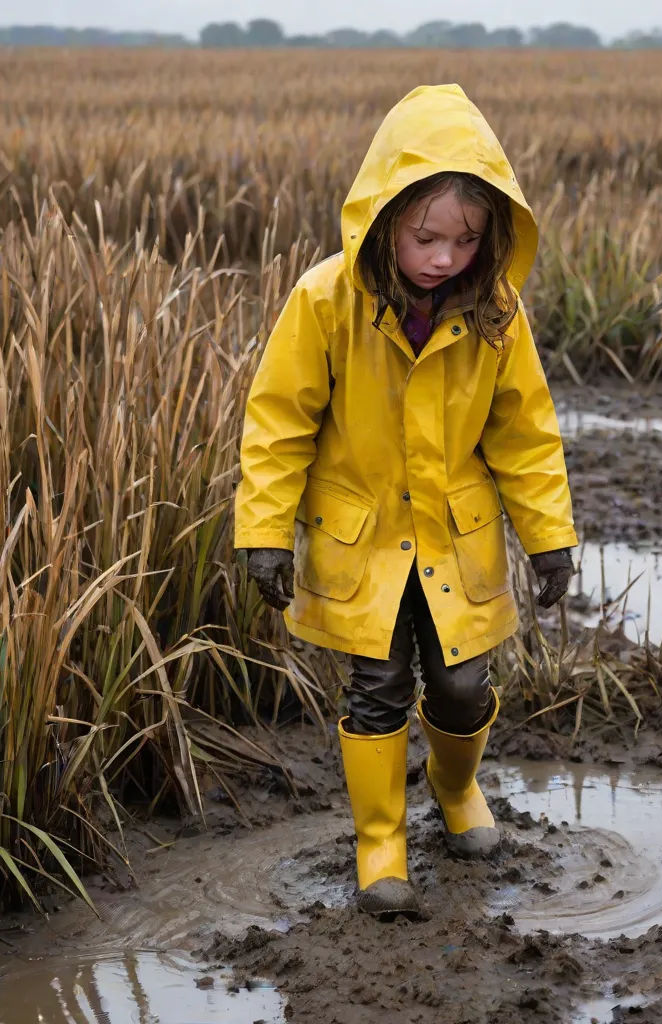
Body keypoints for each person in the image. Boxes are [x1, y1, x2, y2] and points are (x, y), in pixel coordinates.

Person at [234, 84, 578, 917]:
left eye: (465, 240)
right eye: (427, 237)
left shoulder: (498, 312)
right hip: (363, 542)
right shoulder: (324, 300)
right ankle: (380, 840)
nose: (444, 257)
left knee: (461, 687)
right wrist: (264, 531)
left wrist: (549, 538)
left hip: (456, 543)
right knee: (378, 688)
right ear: (384, 216)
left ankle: (456, 789)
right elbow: (279, 423)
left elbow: (524, 433)